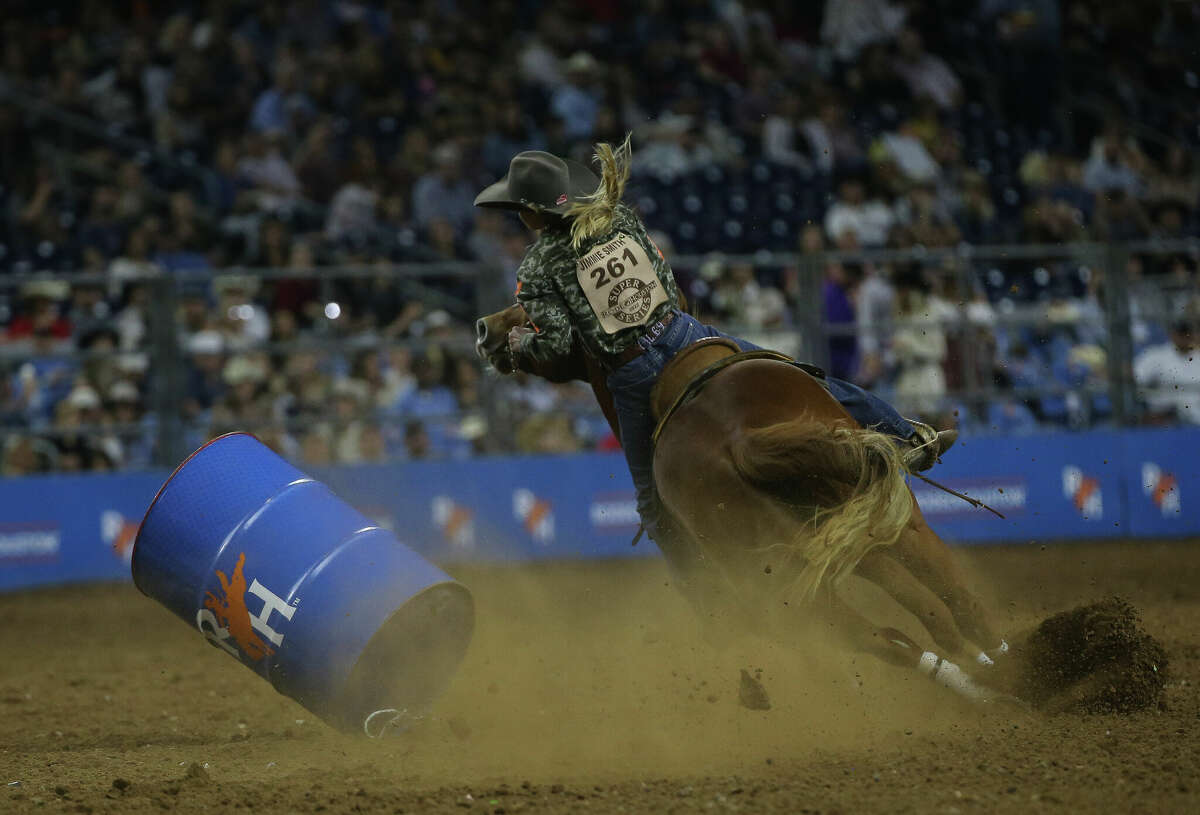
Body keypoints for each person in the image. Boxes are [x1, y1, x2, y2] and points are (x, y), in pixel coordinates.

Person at [474, 139, 955, 545]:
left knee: (652, 499)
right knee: (809, 379)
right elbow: (664, 279)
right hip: (685, 333)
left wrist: (519, 351)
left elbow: (557, 342)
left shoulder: (538, 267)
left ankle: (702, 590)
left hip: (633, 371)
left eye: (519, 210)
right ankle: (910, 436)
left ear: (534, 215)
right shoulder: (616, 218)